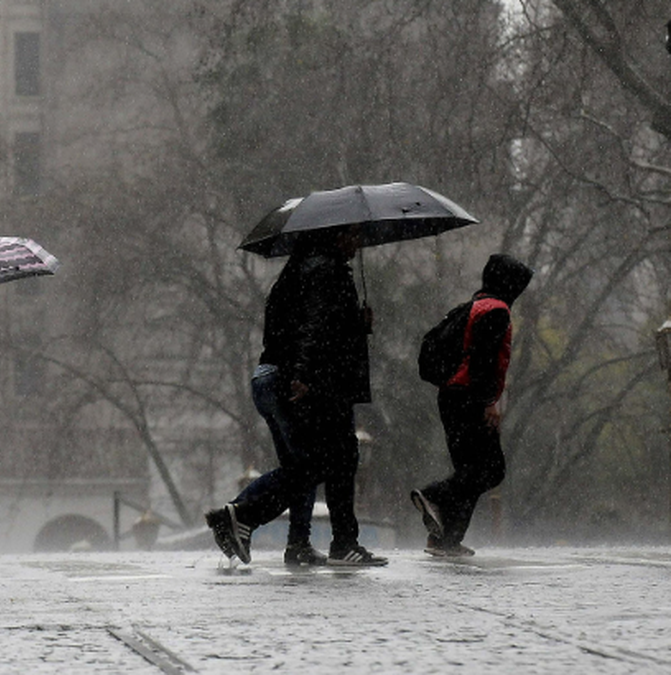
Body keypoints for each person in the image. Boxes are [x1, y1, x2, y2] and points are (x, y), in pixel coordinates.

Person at [206, 224, 387, 567]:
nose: (357, 243)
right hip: (306, 382)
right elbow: (314, 327)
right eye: (351, 235)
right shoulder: (326, 271)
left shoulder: (293, 276)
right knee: (329, 461)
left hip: (272, 377)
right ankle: (244, 515)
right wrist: (303, 374)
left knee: (305, 463)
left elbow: (301, 327)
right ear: (334, 238)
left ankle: (298, 542)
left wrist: (355, 323)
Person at [411, 253, 533, 557]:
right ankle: (434, 495)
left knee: (470, 471)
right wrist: (489, 402)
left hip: (451, 396)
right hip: (470, 397)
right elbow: (483, 360)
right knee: (491, 469)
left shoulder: (470, 307)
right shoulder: (497, 311)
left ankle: (446, 540)